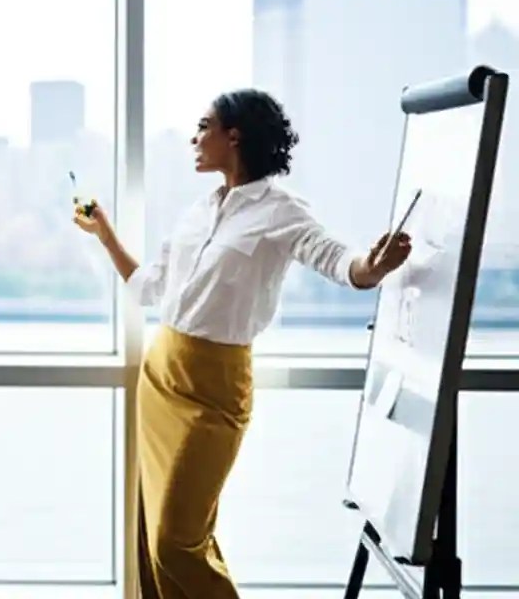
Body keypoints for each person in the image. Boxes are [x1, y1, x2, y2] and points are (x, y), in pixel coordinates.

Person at [74, 89, 412, 599]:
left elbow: (337, 260)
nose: (194, 137)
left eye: (203, 125)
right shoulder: (198, 211)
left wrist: (373, 267)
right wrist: (105, 235)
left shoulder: (281, 210)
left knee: (176, 542)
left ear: (234, 135)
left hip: (214, 386)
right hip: (160, 376)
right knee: (150, 535)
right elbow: (149, 288)